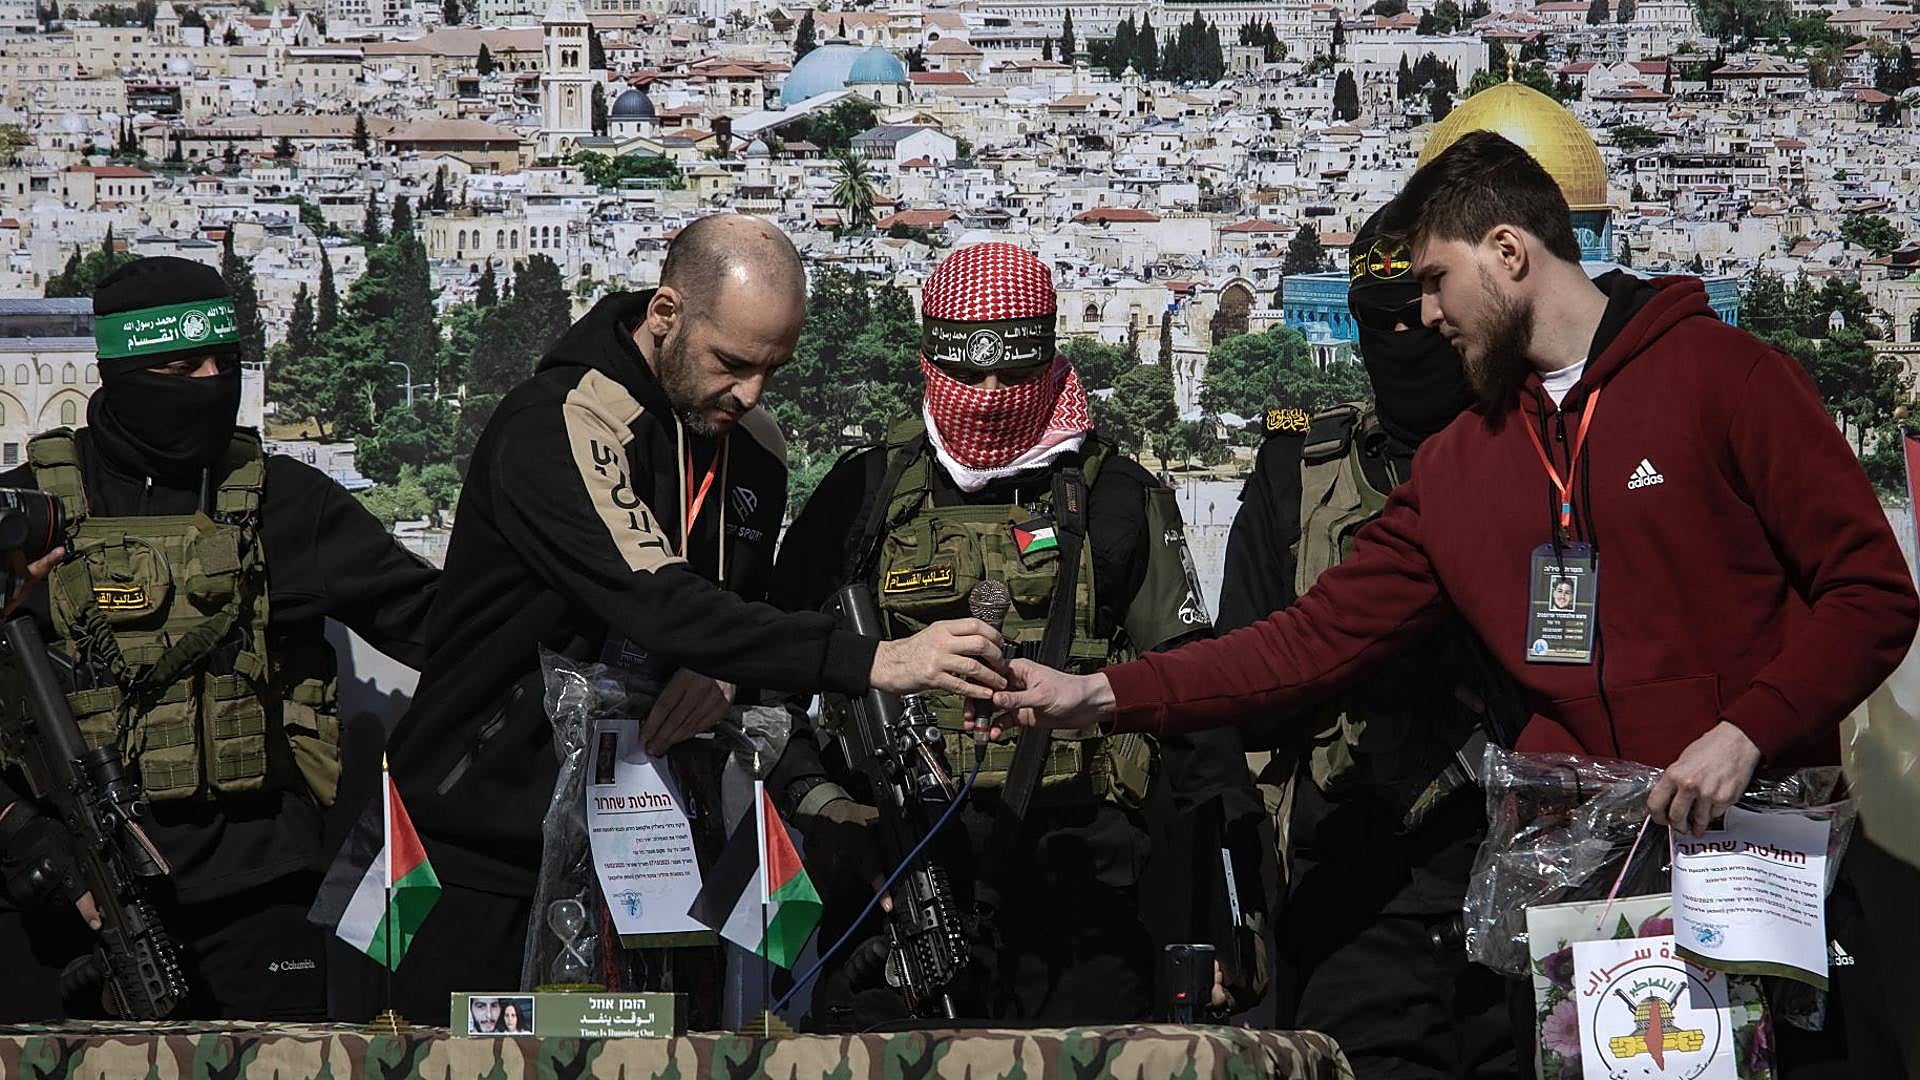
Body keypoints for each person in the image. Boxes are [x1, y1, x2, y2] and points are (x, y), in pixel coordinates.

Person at [993, 134, 1919, 1071]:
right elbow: (1308, 642)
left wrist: (1744, 731)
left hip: (1754, 863)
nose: (1425, 314)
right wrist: (1100, 696)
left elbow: (1871, 594)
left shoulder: (1728, 378)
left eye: (1437, 280)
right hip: (1587, 890)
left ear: (1509, 254)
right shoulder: (1462, 461)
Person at [381, 215, 1008, 1025]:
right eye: (732, 364)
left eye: (772, 371)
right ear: (667, 314)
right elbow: (658, 598)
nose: (749, 393)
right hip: (483, 844)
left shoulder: (755, 448)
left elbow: (739, 617)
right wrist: (876, 662)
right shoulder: (562, 420)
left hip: (656, 850)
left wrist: (726, 670)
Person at [771, 242, 1267, 1027]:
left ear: (1050, 360)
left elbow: (1191, 700)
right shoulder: (863, 496)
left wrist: (1229, 920)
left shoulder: (1115, 498)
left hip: (1084, 888)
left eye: (1013, 375)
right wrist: (833, 819)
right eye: (967, 376)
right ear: (931, 361)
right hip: (896, 878)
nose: (991, 396)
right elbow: (772, 675)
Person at [0, 257, 440, 1020]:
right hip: (59, 897)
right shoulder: (26, 515)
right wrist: (18, 834)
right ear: (122, 369)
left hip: (255, 897)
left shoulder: (288, 504)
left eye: (225, 363)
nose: (210, 383)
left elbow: (443, 627)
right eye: (182, 365)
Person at [1219, 210, 1521, 1077]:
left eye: (1416, 314)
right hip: (1351, 883)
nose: (1399, 338)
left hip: (1514, 871)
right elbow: (1247, 670)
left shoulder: (1535, 454)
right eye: (1372, 319)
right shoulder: (1299, 470)